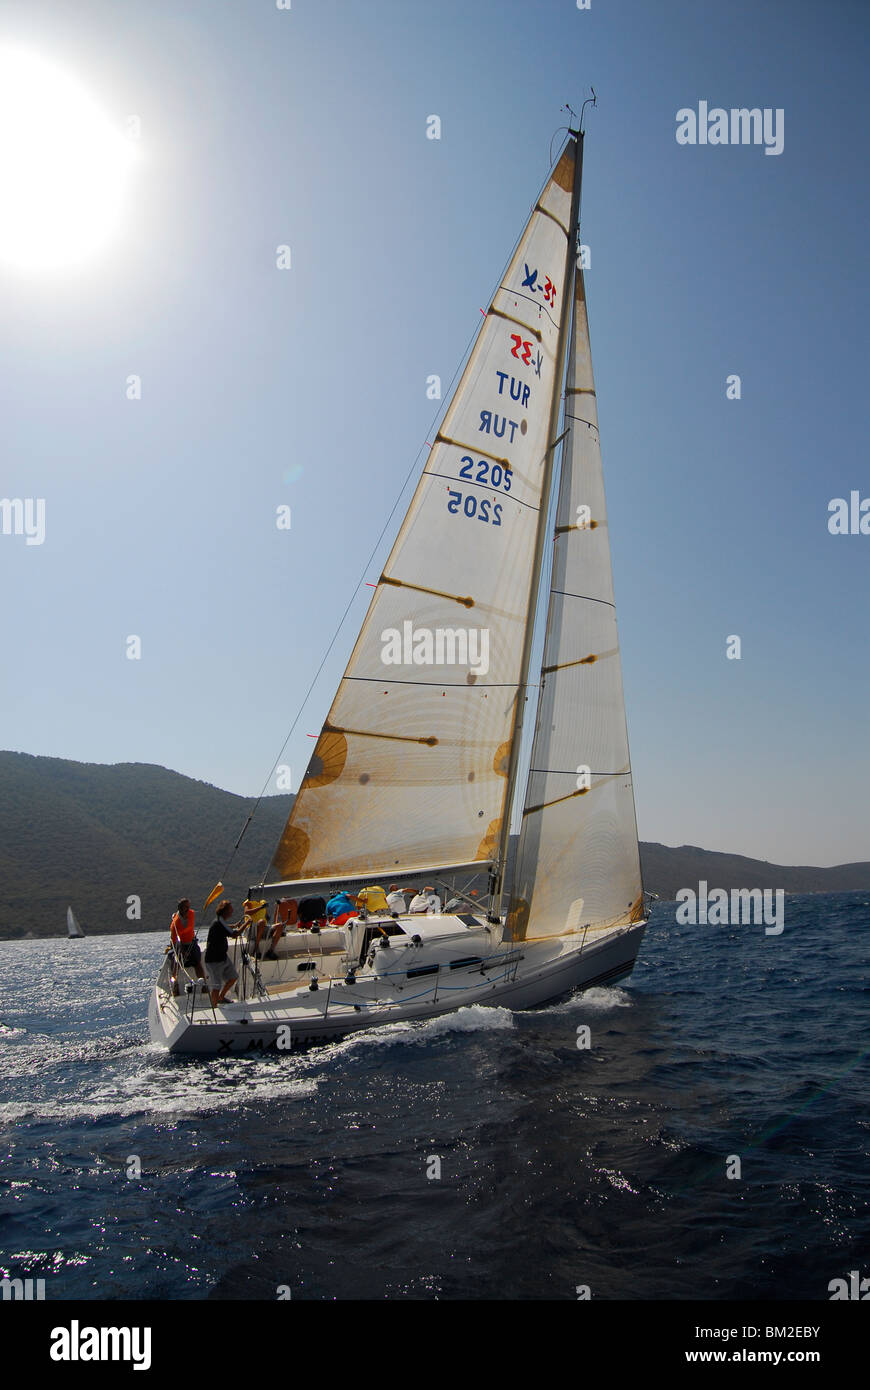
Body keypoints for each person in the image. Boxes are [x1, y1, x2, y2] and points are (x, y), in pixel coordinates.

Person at [204, 900, 245, 1007]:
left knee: (233, 977)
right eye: (230, 910)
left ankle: (221, 997)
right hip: (214, 960)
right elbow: (235, 934)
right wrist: (246, 924)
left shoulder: (220, 921)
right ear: (225, 911)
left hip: (222, 957)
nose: (232, 913)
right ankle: (213, 1007)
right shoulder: (218, 922)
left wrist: (235, 925)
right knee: (216, 986)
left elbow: (226, 928)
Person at [169, 897, 207, 996]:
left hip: (191, 942)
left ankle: (204, 985)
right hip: (180, 945)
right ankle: (175, 986)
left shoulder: (192, 914)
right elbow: (174, 940)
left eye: (188, 907)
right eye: (185, 908)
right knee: (176, 963)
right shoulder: (175, 924)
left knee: (197, 963)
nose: (188, 910)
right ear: (180, 909)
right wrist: (181, 951)